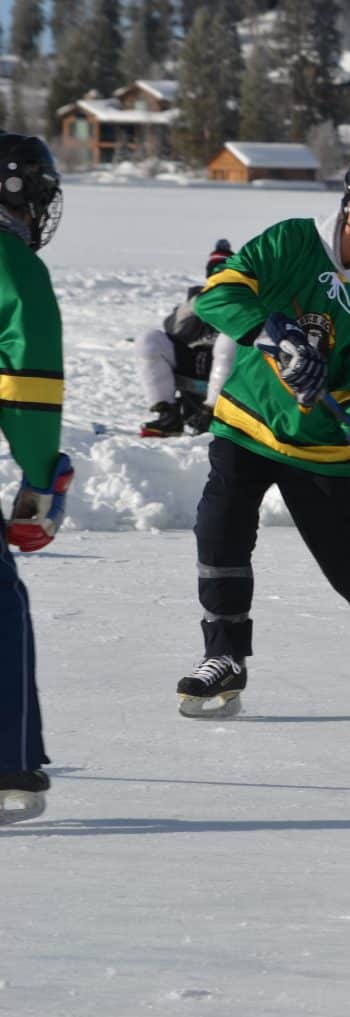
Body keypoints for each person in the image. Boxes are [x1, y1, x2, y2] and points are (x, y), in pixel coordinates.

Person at [176, 153, 350, 720]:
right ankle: (224, 657)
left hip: (321, 446)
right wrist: (269, 330)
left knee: (348, 560)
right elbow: (217, 293)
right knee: (220, 528)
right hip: (248, 422)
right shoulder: (291, 243)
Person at [0, 133, 72, 825]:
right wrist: (41, 477)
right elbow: (29, 385)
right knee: (0, 609)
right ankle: (8, 767)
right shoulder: (12, 263)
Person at [136, 239, 240, 436]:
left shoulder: (246, 298)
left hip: (231, 369)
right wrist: (197, 303)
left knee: (228, 341)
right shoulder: (197, 299)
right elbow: (172, 328)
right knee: (148, 340)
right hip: (193, 362)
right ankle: (167, 414)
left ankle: (212, 413)